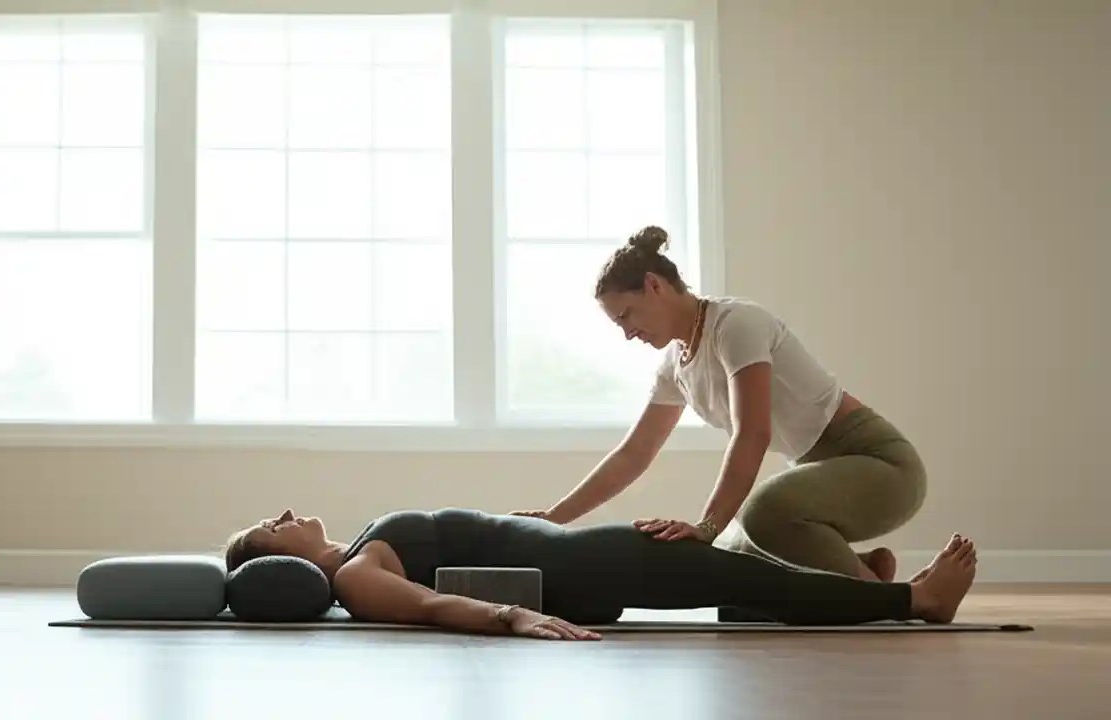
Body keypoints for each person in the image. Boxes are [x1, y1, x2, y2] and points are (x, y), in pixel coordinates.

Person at [512, 225, 927, 582]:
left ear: (654, 285)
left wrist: (707, 524)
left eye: (626, 316)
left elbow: (754, 433)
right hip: (822, 477)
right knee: (735, 555)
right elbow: (634, 454)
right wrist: (554, 518)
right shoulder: (675, 364)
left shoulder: (735, 325)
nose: (626, 333)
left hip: (882, 468)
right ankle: (859, 566)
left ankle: (906, 598)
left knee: (760, 515)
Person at [222, 507, 978, 641]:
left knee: (742, 584)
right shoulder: (356, 573)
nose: (286, 511)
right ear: (278, 559)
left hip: (579, 552)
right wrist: (509, 618)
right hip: (588, 562)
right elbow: (424, 605)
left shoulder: (361, 544)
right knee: (749, 581)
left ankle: (871, 586)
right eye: (270, 523)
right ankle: (915, 599)